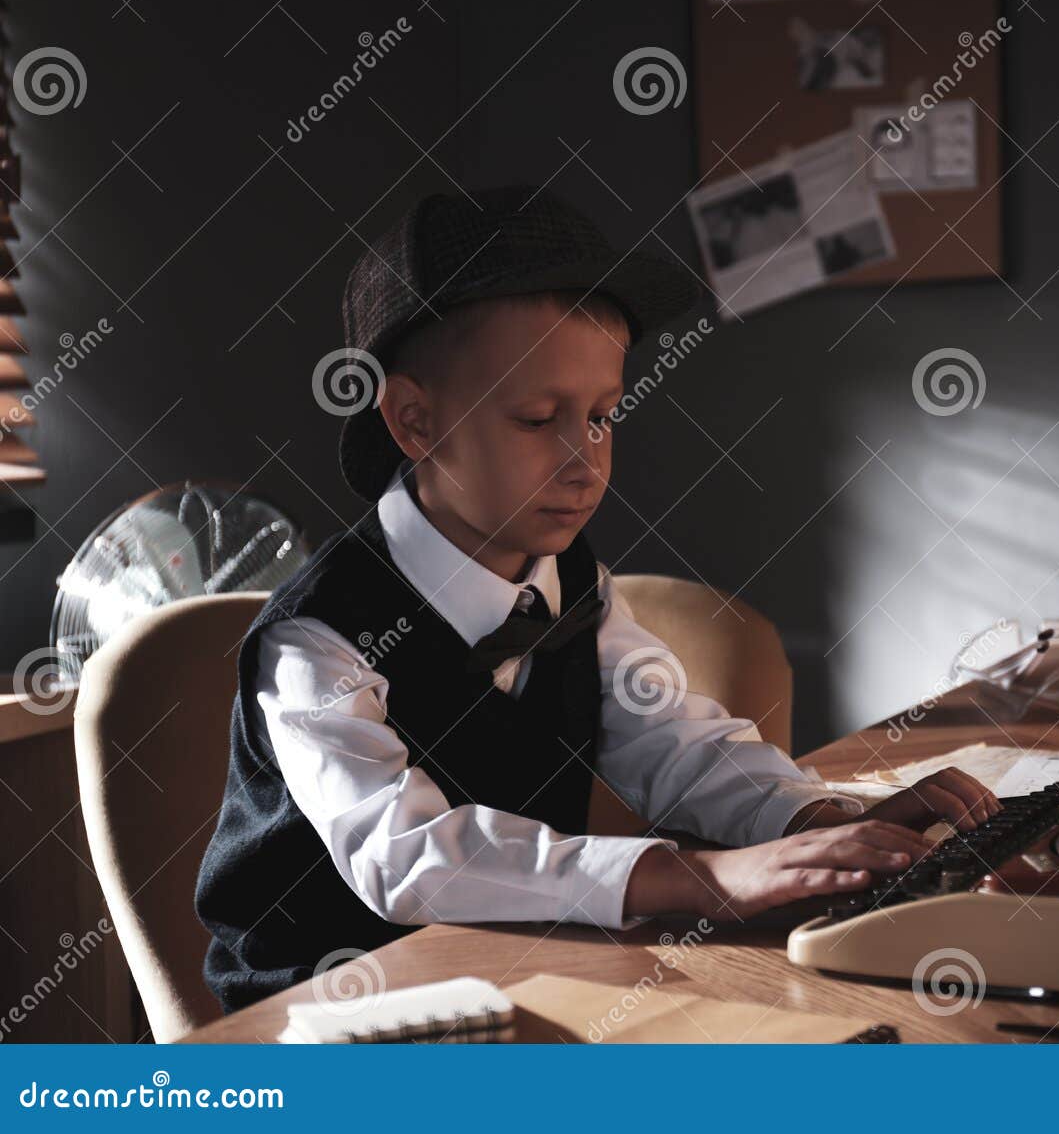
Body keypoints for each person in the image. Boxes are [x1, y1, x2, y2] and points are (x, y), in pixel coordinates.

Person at [195, 186, 997, 1012]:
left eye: (603, 416)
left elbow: (677, 748)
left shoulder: (576, 587)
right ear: (415, 421)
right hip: (322, 1012)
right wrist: (698, 876)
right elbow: (402, 854)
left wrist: (813, 818)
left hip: (515, 978)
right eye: (538, 418)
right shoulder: (315, 636)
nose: (585, 461)